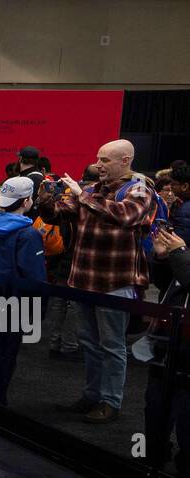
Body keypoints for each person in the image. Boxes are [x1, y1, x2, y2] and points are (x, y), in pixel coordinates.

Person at [38, 139, 159, 423]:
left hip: (114, 282)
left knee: (112, 346)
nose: (98, 164)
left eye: (105, 160)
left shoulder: (139, 189)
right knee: (89, 344)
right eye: (98, 159)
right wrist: (45, 198)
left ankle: (111, 402)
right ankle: (92, 396)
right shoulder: (91, 190)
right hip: (83, 280)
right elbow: (58, 215)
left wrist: (83, 196)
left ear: (125, 160)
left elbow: (124, 216)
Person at [0, 176, 46, 405]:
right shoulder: (29, 234)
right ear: (27, 201)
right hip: (15, 306)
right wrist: (38, 314)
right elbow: (35, 278)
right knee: (5, 356)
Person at [143, 225, 190, 476]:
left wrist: (180, 252)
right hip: (167, 340)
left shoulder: (184, 250)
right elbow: (168, 284)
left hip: (185, 347)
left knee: (186, 413)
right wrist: (162, 258)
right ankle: (154, 455)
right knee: (155, 405)